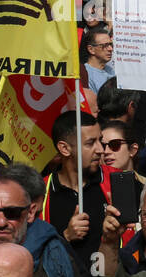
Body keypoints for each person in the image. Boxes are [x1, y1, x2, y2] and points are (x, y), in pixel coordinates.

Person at [43, 111, 109, 264]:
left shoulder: (114, 181)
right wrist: (66, 236)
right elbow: (33, 254)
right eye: (90, 143)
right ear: (64, 149)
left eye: (100, 141)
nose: (100, 150)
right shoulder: (42, 192)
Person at [82, 25, 116, 93]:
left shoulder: (110, 70)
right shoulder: (85, 75)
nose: (110, 49)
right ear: (91, 49)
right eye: (105, 45)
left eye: (110, 44)